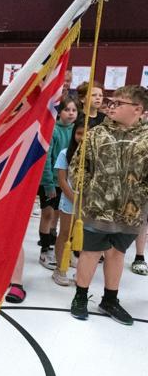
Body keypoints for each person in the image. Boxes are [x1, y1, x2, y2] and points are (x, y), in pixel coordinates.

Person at [69, 85, 148, 325]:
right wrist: (87, 187)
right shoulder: (96, 134)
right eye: (111, 102)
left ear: (137, 109)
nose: (111, 106)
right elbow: (77, 167)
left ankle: (110, 299)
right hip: (98, 207)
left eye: (119, 103)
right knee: (90, 252)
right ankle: (80, 296)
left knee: (117, 253)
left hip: (132, 211)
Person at [38, 97, 78, 271]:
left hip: (67, 183)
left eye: (74, 110)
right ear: (59, 112)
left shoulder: (77, 132)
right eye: (67, 109)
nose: (70, 113)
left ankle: (58, 249)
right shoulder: (52, 130)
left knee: (60, 216)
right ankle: (45, 250)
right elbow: (46, 159)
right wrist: (48, 183)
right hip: (51, 181)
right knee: (47, 214)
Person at [51, 118, 86, 286]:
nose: (82, 137)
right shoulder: (65, 153)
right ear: (74, 134)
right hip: (70, 200)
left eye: (86, 134)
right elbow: (62, 180)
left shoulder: (95, 155)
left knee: (80, 235)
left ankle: (72, 259)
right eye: (79, 133)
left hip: (87, 203)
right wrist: (75, 199)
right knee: (64, 233)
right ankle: (60, 268)